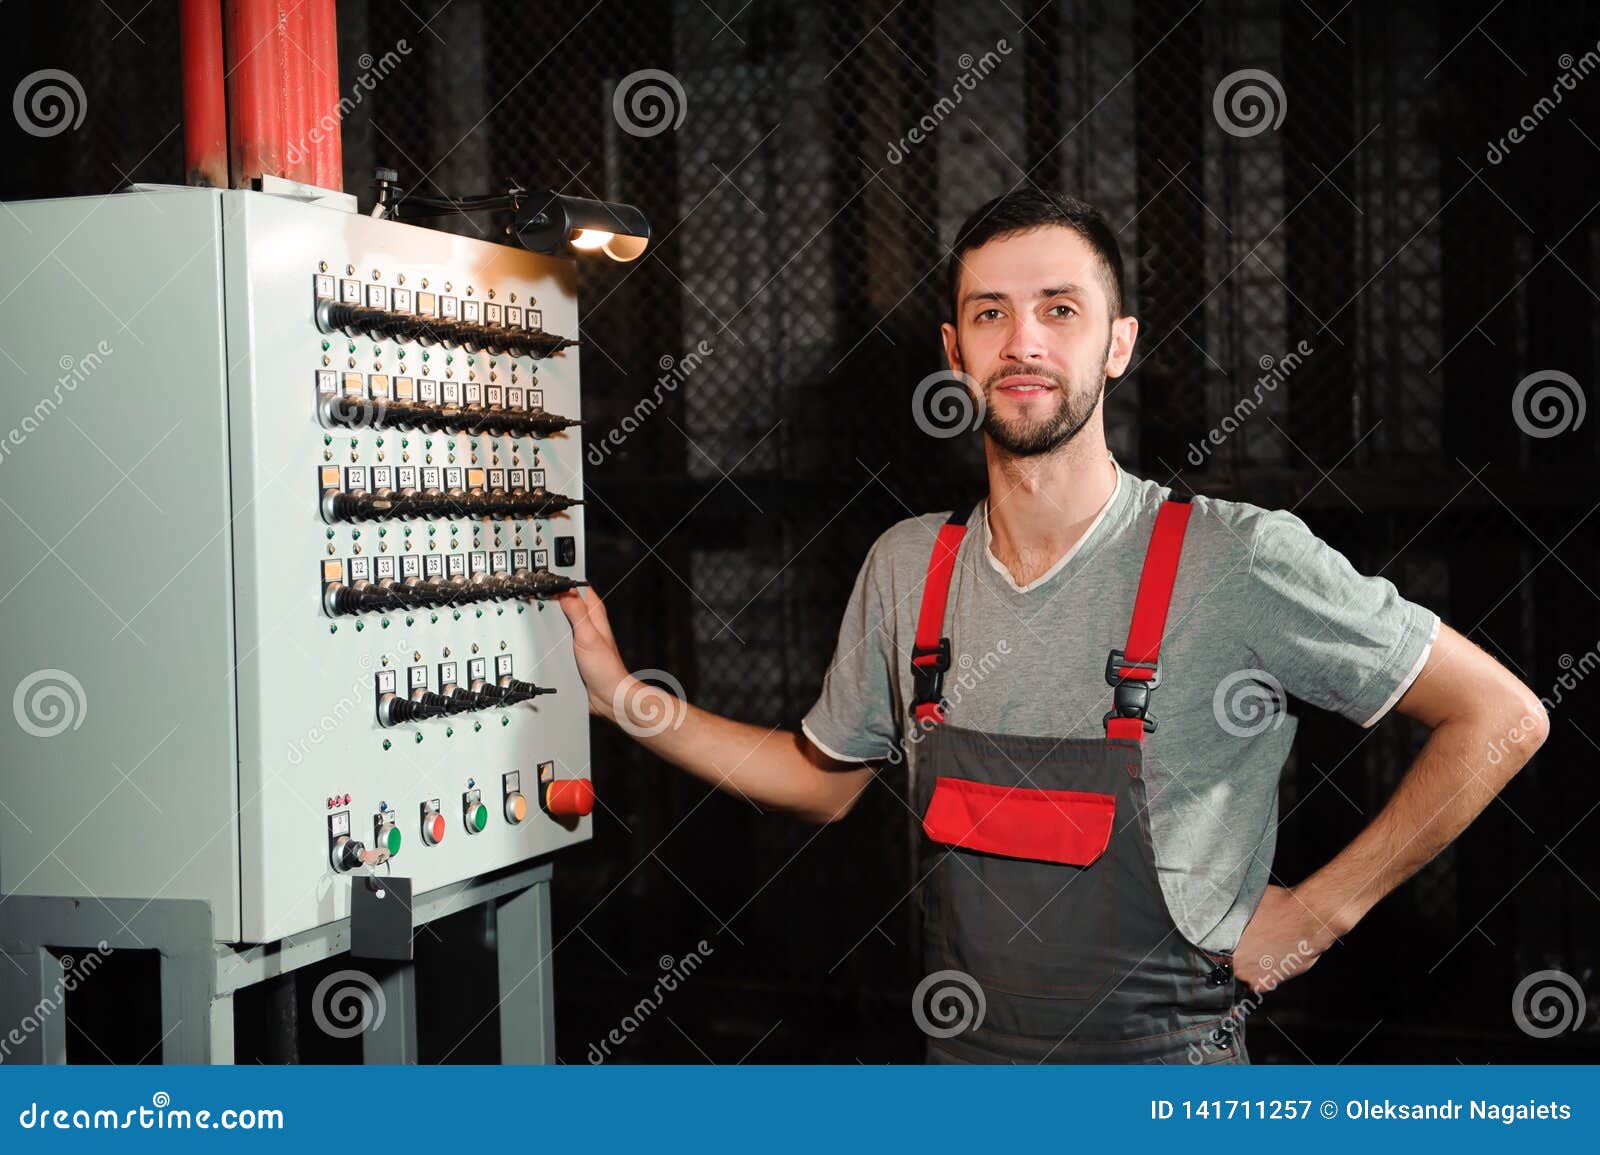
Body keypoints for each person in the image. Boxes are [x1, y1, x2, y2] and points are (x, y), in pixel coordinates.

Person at [555, 189, 1549, 1064]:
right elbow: (818, 785)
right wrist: (620, 698)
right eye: (990, 313)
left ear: (1116, 342)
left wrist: (1316, 916)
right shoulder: (910, 567)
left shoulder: (1234, 557)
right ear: (954, 352)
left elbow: (1502, 718)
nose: (1022, 342)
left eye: (1060, 311)